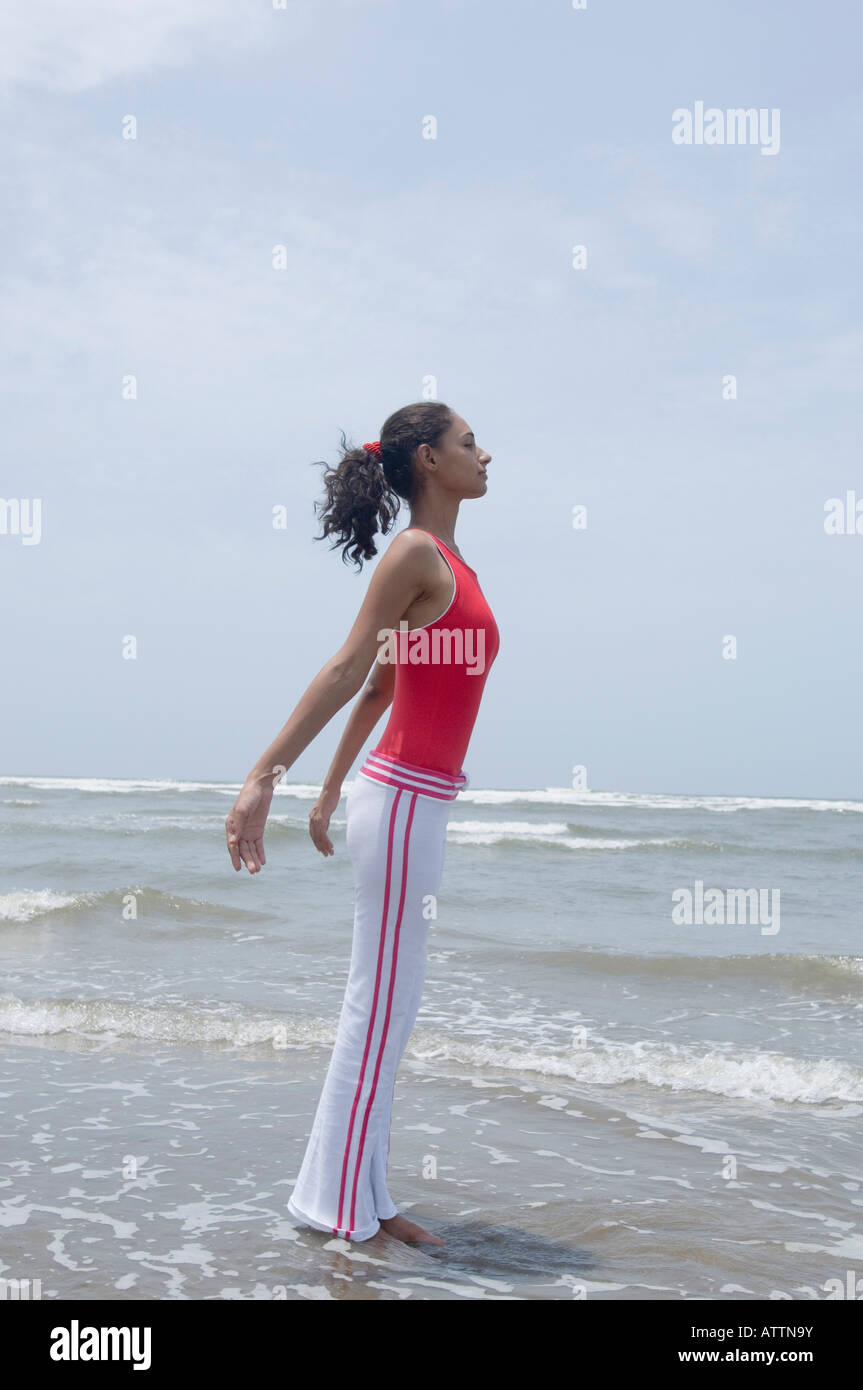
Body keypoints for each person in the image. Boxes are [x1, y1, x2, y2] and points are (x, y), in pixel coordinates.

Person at [225, 401, 500, 1244]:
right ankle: (334, 1210)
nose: (485, 455)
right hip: (407, 796)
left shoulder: (447, 561)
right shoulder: (415, 554)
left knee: (393, 1003)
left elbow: (384, 686)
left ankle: (366, 1197)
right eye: (468, 443)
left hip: (414, 796)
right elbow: (347, 665)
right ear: (427, 460)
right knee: (377, 1005)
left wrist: (327, 790)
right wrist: (264, 777)